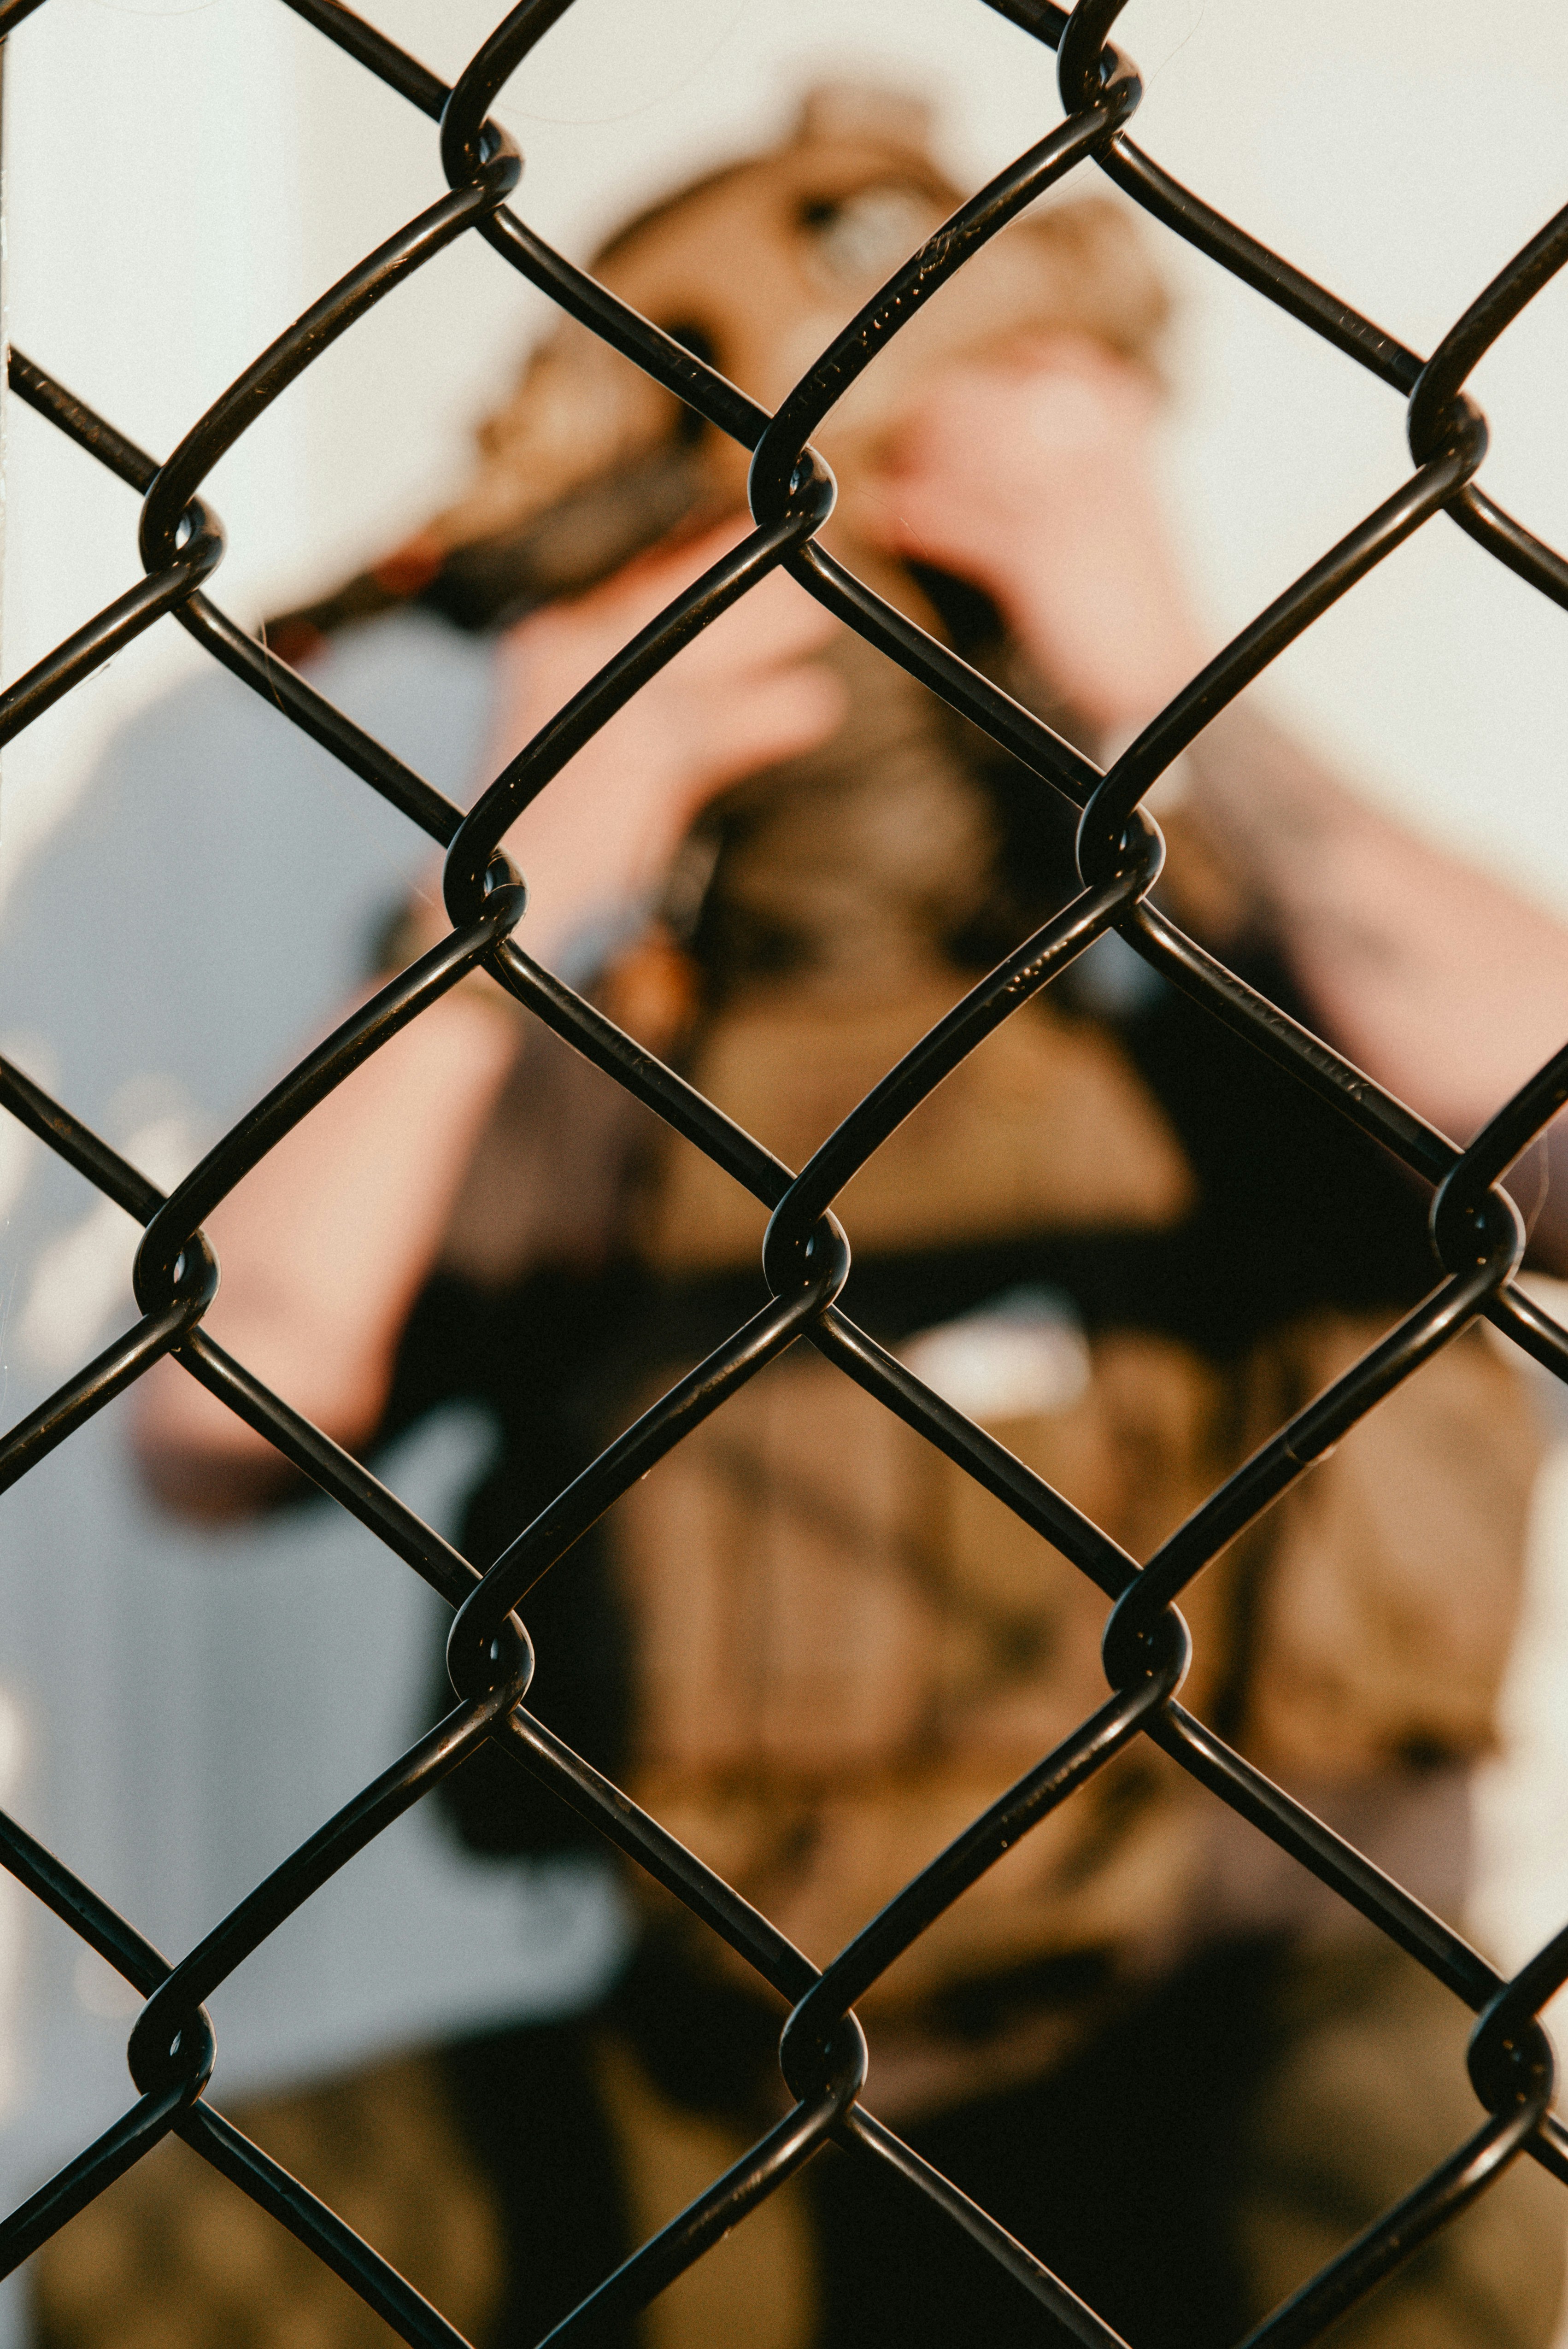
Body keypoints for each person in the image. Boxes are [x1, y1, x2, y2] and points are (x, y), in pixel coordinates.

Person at [42, 85, 1568, 2349]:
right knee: (169, 2261)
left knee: (1443, 2236)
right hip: (731, 2077)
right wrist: (515, 882)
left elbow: (1536, 1105)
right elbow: (214, 1419)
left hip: (1234, 2049)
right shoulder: (619, 1088)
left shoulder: (1246, 1023)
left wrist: (1161, 676)